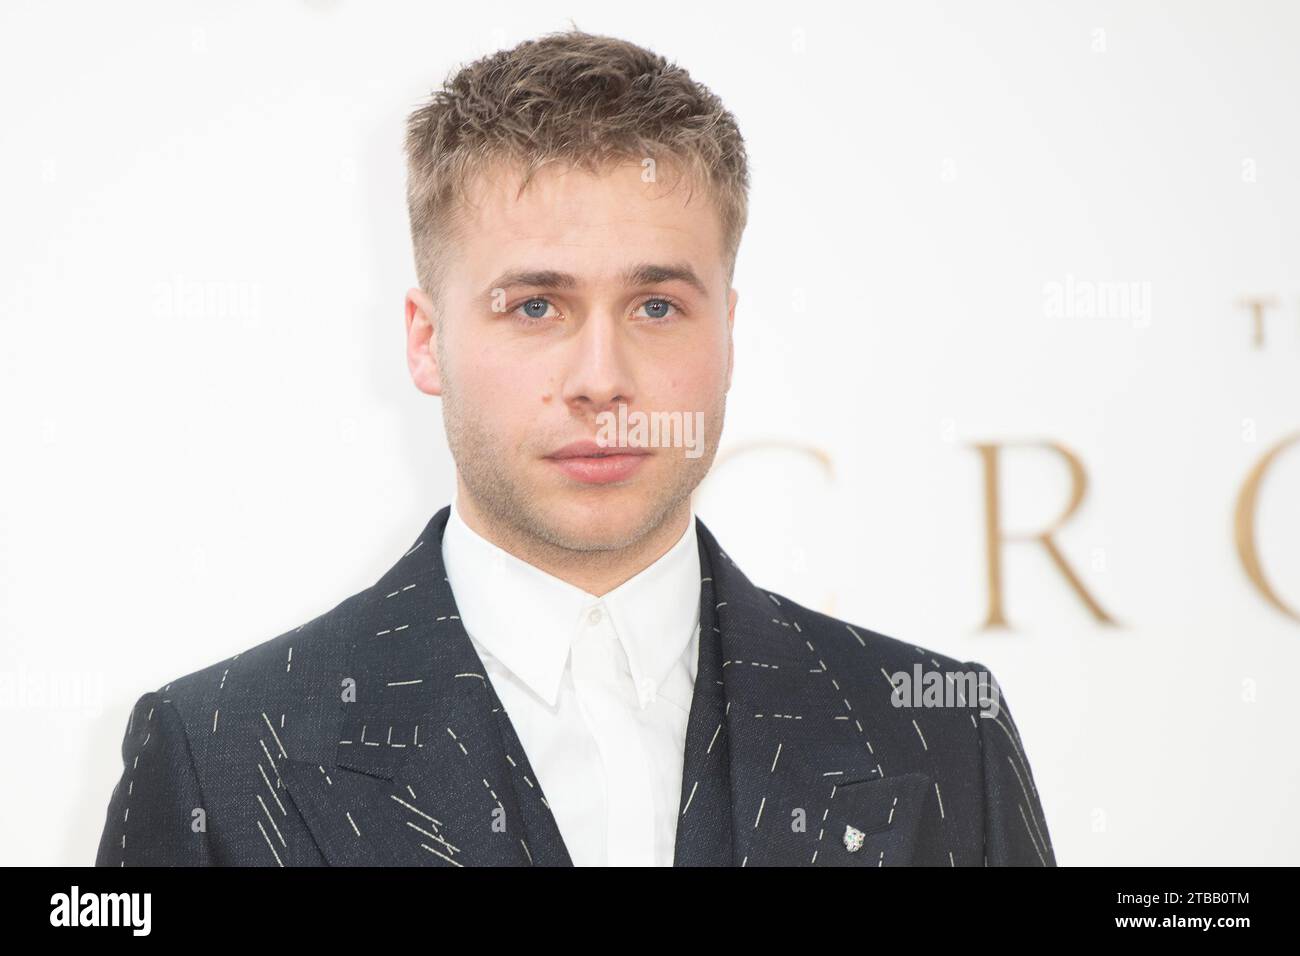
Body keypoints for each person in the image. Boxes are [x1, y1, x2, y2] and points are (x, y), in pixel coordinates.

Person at [95, 29, 1055, 867]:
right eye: (535, 306)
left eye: (656, 306)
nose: (601, 379)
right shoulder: (214, 755)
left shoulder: (941, 735)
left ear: (728, 333)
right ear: (426, 341)